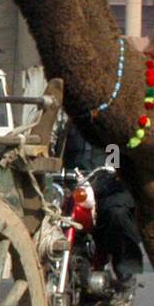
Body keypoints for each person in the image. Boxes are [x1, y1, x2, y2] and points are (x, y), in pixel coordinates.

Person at [59, 117, 144, 291]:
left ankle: (125, 269)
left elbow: (117, 161)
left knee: (116, 214)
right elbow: (59, 157)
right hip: (75, 188)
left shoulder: (111, 128)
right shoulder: (70, 128)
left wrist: (116, 173)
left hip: (108, 188)